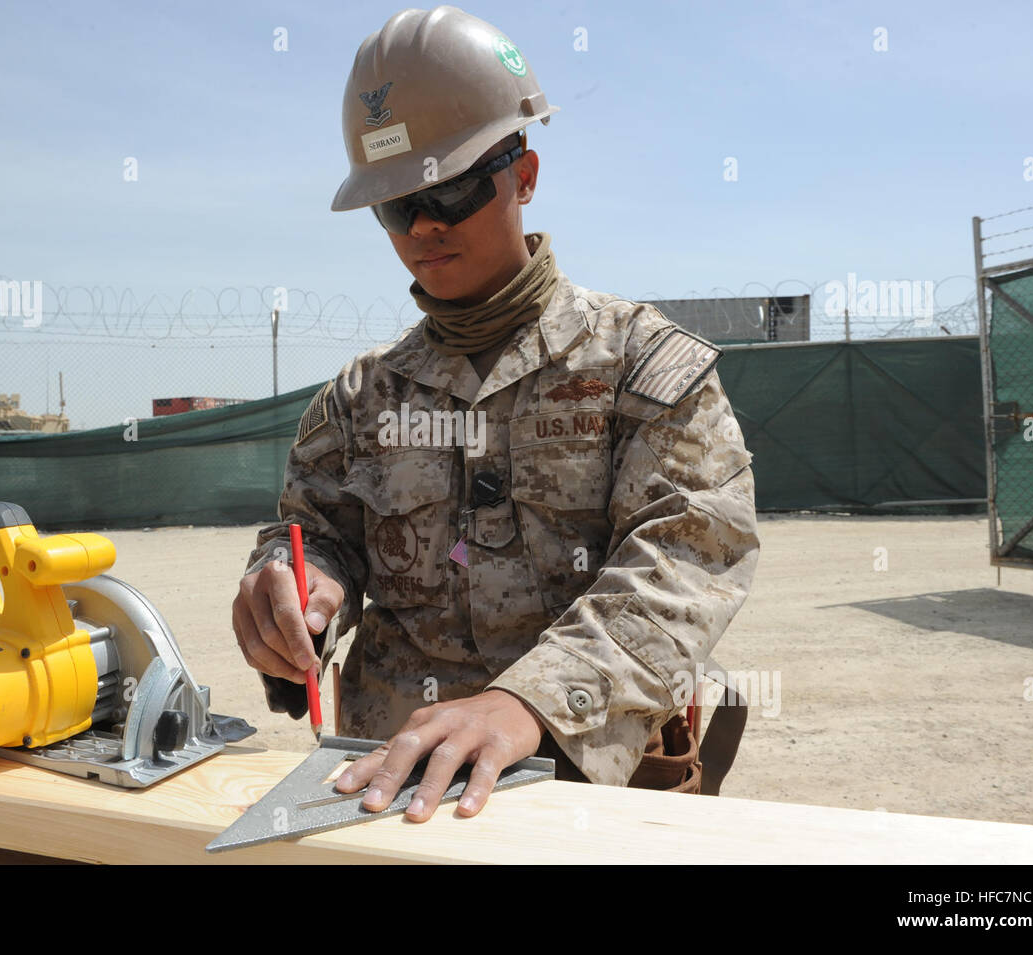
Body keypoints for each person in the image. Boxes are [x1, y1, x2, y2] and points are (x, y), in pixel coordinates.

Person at [232, 5, 759, 821]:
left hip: (590, 790)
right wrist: (289, 587)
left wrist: (530, 702)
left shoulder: (643, 368)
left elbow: (687, 558)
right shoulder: (358, 401)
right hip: (389, 796)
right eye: (395, 205)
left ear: (524, 173)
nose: (424, 226)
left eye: (449, 187)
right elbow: (316, 532)